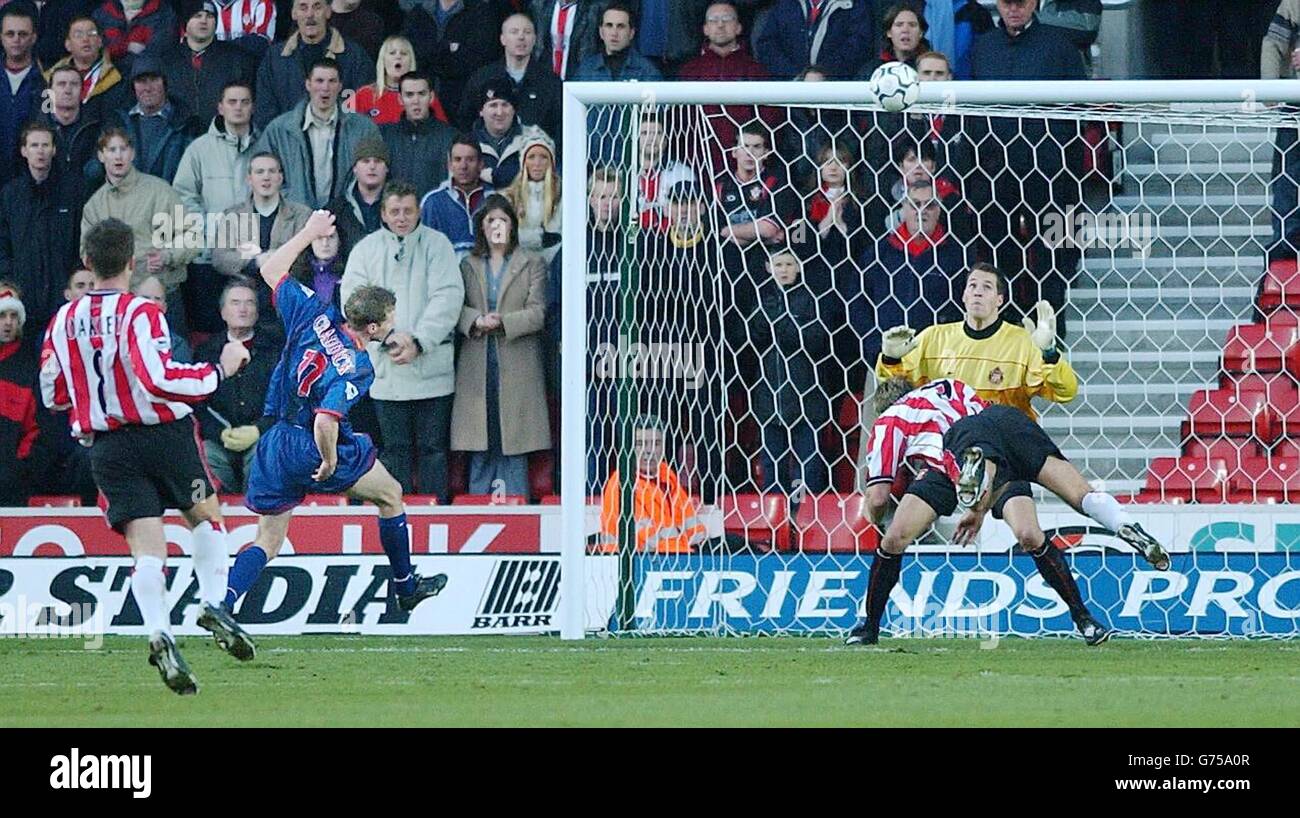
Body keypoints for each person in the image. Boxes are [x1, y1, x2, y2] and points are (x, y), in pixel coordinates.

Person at [39, 217, 255, 694]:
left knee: (147, 551)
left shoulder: (62, 320)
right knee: (206, 519)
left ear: (88, 263)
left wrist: (94, 392)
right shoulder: (141, 312)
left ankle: (159, 631)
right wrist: (217, 370)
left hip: (108, 446)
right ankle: (214, 603)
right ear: (132, 262)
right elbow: (158, 377)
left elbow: (53, 393)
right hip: (163, 435)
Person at [225, 209, 449, 613]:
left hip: (276, 441)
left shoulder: (314, 311)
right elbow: (326, 419)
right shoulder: (358, 366)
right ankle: (406, 586)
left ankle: (222, 603)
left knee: (268, 540)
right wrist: (329, 461)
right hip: (313, 446)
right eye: (390, 319)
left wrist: (308, 233)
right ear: (376, 327)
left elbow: (272, 269)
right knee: (391, 495)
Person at [844, 376, 1117, 646]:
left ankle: (868, 628)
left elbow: (878, 497)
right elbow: (984, 423)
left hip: (943, 468)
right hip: (993, 456)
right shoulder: (949, 386)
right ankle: (1085, 620)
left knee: (893, 539)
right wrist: (981, 508)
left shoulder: (889, 419)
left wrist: (872, 517)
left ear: (881, 407)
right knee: (1029, 534)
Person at [340, 181, 463, 499]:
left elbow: (448, 296)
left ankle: (435, 514)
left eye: (408, 210)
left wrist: (419, 340)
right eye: (394, 211)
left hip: (431, 366)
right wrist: (387, 336)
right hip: (386, 368)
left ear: (418, 211)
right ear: (382, 213)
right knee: (394, 448)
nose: (402, 217)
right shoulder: (366, 250)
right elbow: (354, 300)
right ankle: (394, 511)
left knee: (433, 449)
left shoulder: (438, 245)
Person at [876, 262, 1075, 420]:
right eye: (972, 286)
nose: (977, 292)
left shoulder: (1021, 342)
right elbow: (894, 394)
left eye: (987, 287)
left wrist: (1049, 352)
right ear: (964, 296)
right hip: (947, 444)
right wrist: (890, 359)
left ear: (1000, 300)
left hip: (1007, 445)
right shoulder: (933, 338)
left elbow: (1066, 392)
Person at [451, 193, 549, 497]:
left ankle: (517, 507)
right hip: (477, 359)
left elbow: (539, 312)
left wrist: (504, 322)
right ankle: (477, 505)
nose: (496, 226)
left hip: (517, 359)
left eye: (502, 220)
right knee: (481, 438)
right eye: (490, 220)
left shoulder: (532, 262)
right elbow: (453, 307)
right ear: (481, 226)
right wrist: (475, 321)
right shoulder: (468, 264)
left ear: (513, 226)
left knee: (513, 439)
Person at [81, 127, 198, 336]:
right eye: (111, 149)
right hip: (117, 303)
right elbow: (86, 253)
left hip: (162, 296)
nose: (118, 155)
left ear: (132, 154)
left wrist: (167, 255)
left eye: (123, 149)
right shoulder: (94, 205)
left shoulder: (159, 191)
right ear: (101, 156)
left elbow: (192, 235)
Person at [172, 79, 260, 332]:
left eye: (244, 102)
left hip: (251, 253)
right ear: (220, 107)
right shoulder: (199, 149)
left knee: (250, 325)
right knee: (210, 330)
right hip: (209, 257)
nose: (238, 108)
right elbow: (184, 194)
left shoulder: (265, 144)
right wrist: (210, 233)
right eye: (232, 102)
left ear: (252, 107)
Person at [0, 122, 85, 353]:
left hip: (62, 298)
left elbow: (82, 241)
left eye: (45, 145)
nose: (40, 151)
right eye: (34, 145)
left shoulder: (73, 191)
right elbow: (3, 245)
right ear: (24, 150)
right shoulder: (10, 195)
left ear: (54, 150)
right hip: (23, 297)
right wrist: (10, 284)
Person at [210, 150, 313, 341]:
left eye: (272, 171)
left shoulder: (301, 215)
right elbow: (219, 258)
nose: (266, 177)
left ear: (280, 177)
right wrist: (256, 260)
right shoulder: (233, 215)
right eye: (259, 172)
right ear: (249, 179)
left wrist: (272, 259)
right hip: (245, 296)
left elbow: (303, 259)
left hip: (284, 299)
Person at [254, 56, 382, 208]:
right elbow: (260, 173)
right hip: (295, 219)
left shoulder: (364, 128)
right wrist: (288, 201)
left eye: (332, 81)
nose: (325, 88)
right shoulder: (279, 130)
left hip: (348, 219)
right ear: (308, 84)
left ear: (340, 86)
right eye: (319, 81)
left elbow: (378, 173)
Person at [253, 0, 373, 130]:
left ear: (328, 11)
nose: (310, 14)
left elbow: (364, 111)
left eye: (317, 7)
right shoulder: (274, 59)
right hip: (287, 145)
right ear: (293, 13)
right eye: (303, 7)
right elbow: (265, 114)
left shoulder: (355, 56)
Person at [595, 416, 707, 554]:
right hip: (634, 562)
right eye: (641, 444)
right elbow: (649, 542)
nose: (649, 450)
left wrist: (694, 542)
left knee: (733, 543)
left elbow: (694, 528)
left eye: (656, 443)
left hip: (676, 554)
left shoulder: (666, 474)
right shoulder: (622, 484)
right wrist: (682, 540)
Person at [400, 0, 506, 124]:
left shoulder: (481, 12)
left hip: (463, 107)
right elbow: (410, 55)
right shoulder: (418, 13)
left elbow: (476, 61)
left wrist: (432, 56)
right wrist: (448, 49)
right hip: (422, 106)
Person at [459, 12, 562, 136]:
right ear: (503, 39)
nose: (521, 37)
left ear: (534, 39)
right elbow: (465, 122)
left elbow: (559, 128)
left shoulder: (551, 83)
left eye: (527, 32)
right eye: (514, 32)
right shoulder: (482, 79)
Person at [160, 0, 255, 129]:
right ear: (185, 23)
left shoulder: (238, 58)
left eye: (209, 16)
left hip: (225, 136)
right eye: (197, 16)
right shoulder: (166, 60)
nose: (204, 21)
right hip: (176, 138)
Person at [111, 57, 199, 184]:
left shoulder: (187, 125)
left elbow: (189, 183)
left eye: (153, 80)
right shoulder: (117, 123)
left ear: (165, 83)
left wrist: (177, 205)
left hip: (171, 202)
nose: (147, 88)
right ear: (133, 86)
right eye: (141, 81)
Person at [380, 69, 456, 199]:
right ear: (400, 99)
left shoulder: (451, 136)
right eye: (409, 95)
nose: (416, 100)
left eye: (421, 94)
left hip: (434, 214)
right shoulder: (384, 135)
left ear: (431, 97)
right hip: (396, 215)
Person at [754, 0, 877, 79]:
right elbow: (767, 46)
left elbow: (859, 45)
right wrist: (797, 76)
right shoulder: (784, 5)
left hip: (836, 97)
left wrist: (823, 71)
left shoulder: (855, 5)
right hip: (789, 96)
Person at [419, 135, 492, 258]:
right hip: (444, 275)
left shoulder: (495, 201)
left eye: (470, 160)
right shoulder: (432, 202)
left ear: (481, 164)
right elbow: (422, 251)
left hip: (485, 276)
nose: (463, 166)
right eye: (457, 159)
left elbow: (504, 250)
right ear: (449, 165)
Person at [44, 15, 129, 120]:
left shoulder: (118, 76)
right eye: (78, 34)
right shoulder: (50, 77)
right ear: (68, 44)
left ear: (100, 41)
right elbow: (45, 116)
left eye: (91, 34)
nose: (85, 39)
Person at [0, 282, 38, 506]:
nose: (8, 323)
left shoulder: (29, 370)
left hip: (12, 485)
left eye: (13, 316)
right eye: (2, 315)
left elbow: (36, 432)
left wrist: (16, 468)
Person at [348, 35, 441, 125]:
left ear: (411, 61)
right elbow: (344, 129)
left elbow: (443, 132)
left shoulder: (425, 97)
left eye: (404, 53)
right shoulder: (363, 95)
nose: (398, 57)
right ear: (383, 60)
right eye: (392, 53)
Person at [38, 63, 104, 189]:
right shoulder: (37, 128)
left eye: (74, 84)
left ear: (82, 90)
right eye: (61, 84)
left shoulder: (96, 126)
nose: (68, 90)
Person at [501, 125, 561, 266]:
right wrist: (539, 238)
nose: (537, 164)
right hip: (518, 267)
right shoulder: (508, 197)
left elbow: (559, 235)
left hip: (553, 265)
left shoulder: (562, 194)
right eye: (531, 157)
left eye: (543, 157)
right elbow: (505, 236)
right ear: (523, 161)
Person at [0, 4, 44, 187]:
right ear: (1, 37)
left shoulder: (48, 82)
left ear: (33, 37)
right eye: (10, 34)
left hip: (29, 181)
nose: (16, 39)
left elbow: (48, 126)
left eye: (23, 34)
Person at [325, 133, 389, 249]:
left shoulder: (399, 207)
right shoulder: (336, 210)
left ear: (386, 168)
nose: (372, 166)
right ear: (355, 168)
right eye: (365, 161)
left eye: (378, 161)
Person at [571, 2, 663, 80]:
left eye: (621, 26)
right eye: (609, 25)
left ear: (631, 33)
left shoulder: (648, 72)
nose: (614, 33)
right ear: (601, 32)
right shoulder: (585, 70)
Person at [91, 0, 177, 77]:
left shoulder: (163, 13)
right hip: (106, 79)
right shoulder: (102, 13)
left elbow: (159, 51)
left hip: (146, 78)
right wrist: (126, 46)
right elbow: (93, 49)